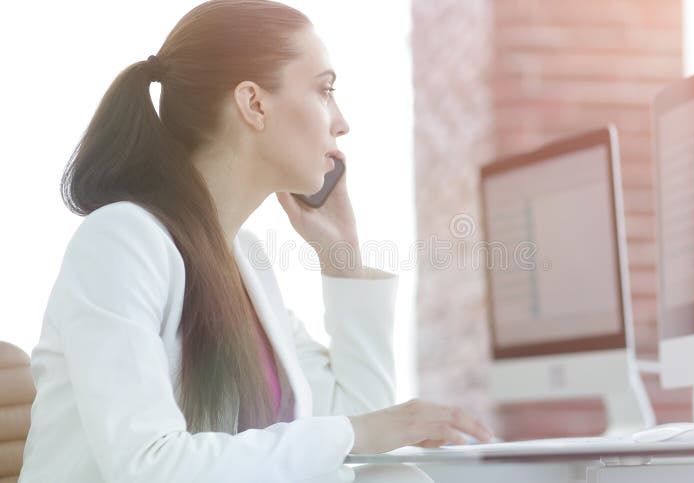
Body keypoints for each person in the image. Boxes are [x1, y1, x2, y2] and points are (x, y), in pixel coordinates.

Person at [18, 1, 493, 482]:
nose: (341, 121)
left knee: (396, 478)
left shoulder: (248, 263)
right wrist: (357, 433)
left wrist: (342, 261)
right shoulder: (122, 241)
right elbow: (149, 465)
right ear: (254, 104)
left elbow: (360, 439)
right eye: (324, 90)